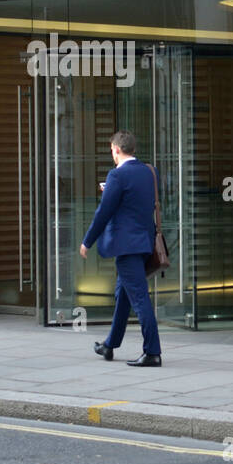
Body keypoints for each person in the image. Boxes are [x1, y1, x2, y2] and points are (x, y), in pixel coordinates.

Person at [80, 130, 161, 367]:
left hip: (126, 247)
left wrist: (87, 241)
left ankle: (153, 352)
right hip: (144, 242)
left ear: (116, 149)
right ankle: (109, 345)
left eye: (112, 151)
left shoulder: (116, 176)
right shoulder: (149, 172)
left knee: (140, 299)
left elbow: (103, 213)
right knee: (123, 296)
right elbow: (140, 202)